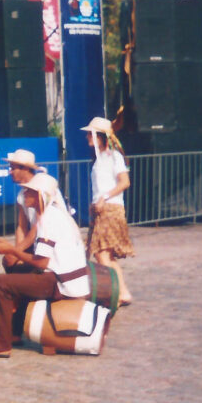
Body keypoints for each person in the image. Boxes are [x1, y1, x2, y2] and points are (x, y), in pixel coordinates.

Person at [0, 173, 91, 359]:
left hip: (61, 282)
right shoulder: (55, 214)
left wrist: (11, 250)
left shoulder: (48, 219)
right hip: (66, 277)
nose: (25, 194)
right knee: (17, 272)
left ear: (40, 196)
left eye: (29, 192)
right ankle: (14, 331)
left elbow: (41, 262)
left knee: (1, 283)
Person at [82, 117, 134, 306]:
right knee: (106, 255)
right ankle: (123, 292)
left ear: (100, 136)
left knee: (102, 254)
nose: (88, 137)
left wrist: (104, 197)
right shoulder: (99, 159)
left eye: (91, 134)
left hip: (111, 209)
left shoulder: (114, 157)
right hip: (101, 210)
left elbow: (124, 182)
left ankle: (113, 294)